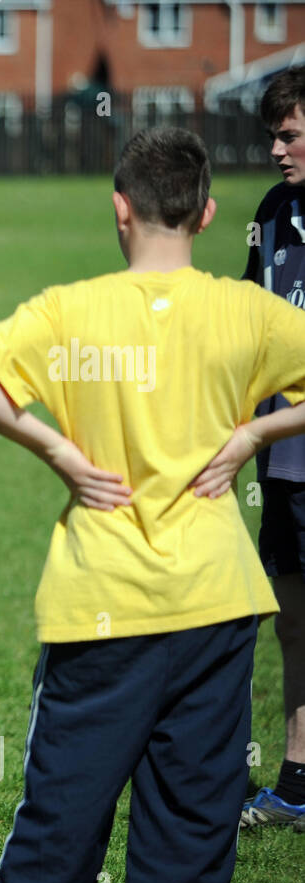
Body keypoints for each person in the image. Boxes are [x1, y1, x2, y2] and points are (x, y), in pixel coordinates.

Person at [0, 128, 305, 883]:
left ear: (119, 207)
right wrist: (257, 427)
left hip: (101, 600)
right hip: (218, 602)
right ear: (210, 214)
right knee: (193, 820)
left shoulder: (72, 310)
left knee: (63, 811)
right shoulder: (252, 312)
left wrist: (58, 452)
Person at [240, 67, 305, 830]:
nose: (276, 149)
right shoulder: (275, 211)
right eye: (273, 136)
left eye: (290, 135)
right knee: (293, 621)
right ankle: (295, 780)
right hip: (284, 463)